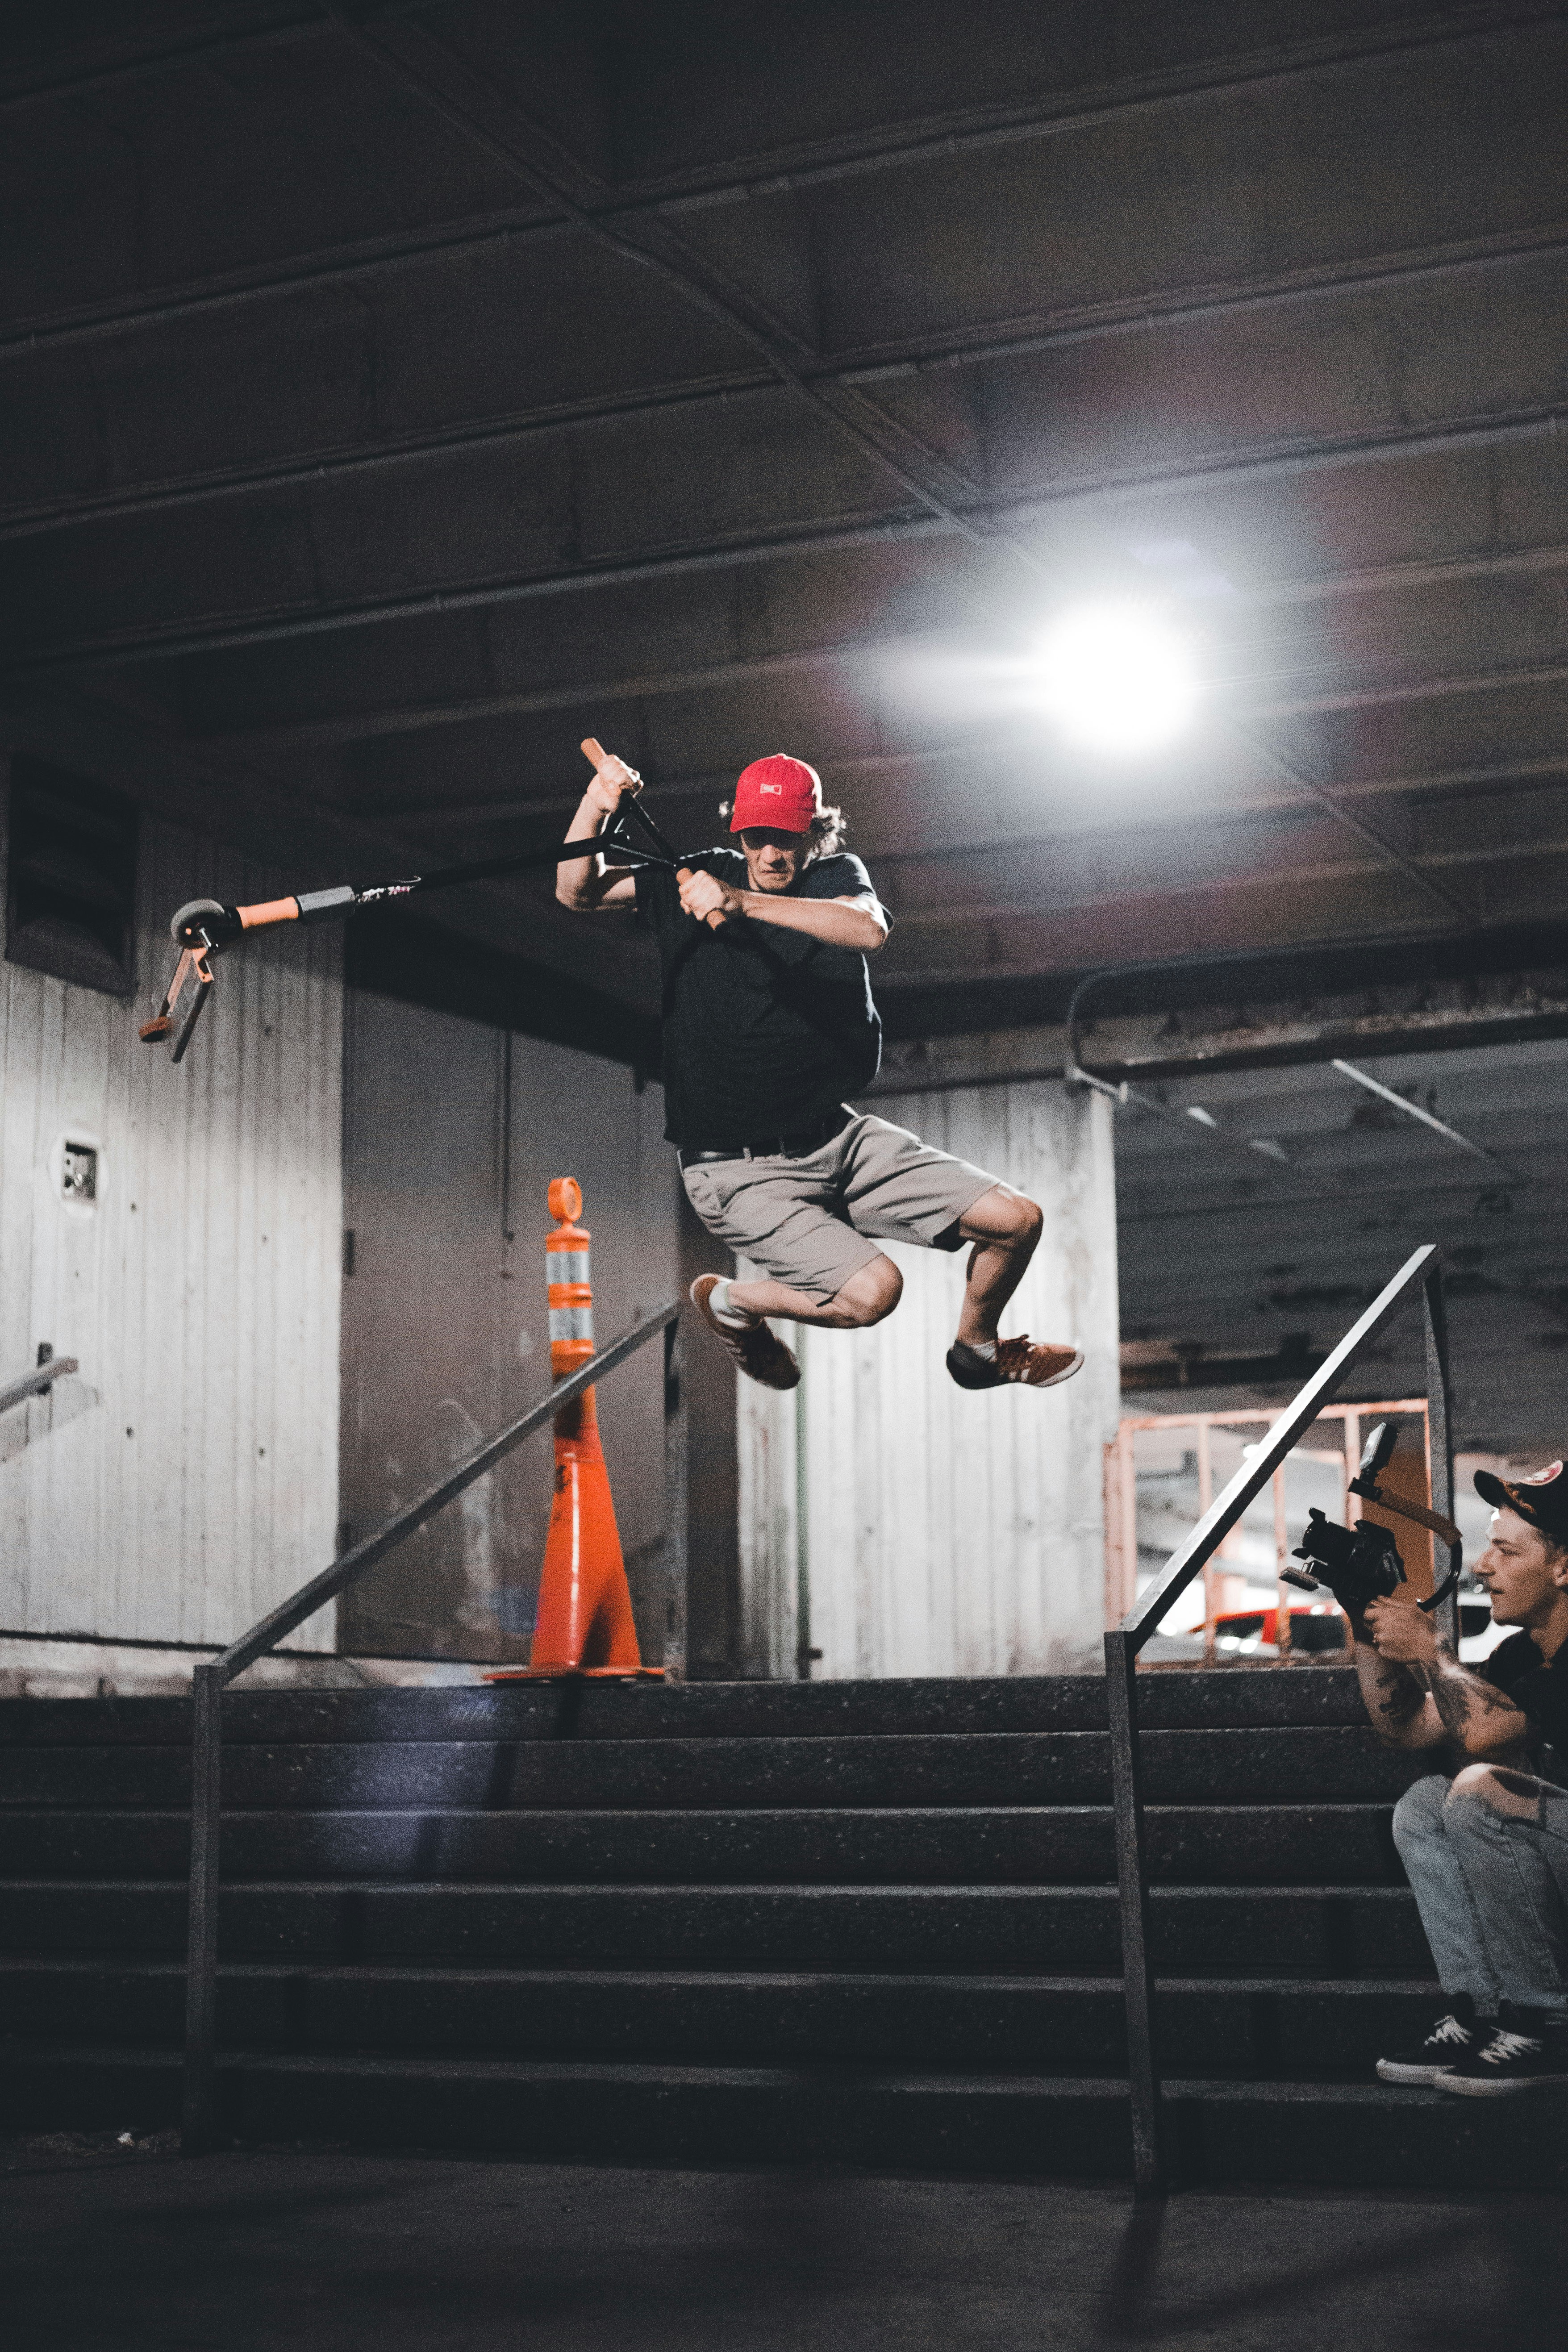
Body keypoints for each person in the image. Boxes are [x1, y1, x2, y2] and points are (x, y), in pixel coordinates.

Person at [557, 744, 1084, 1395]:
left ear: (815, 832)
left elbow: (867, 929)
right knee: (873, 1293)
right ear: (737, 831)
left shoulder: (833, 880)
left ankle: (977, 1351)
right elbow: (576, 891)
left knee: (1017, 1221)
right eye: (758, 838)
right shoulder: (691, 877)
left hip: (835, 1138)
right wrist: (597, 806)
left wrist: (742, 903)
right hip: (736, 1169)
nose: (772, 855)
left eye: (788, 838)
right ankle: (734, 1305)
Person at [1354, 1461, 1568, 2096]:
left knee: (1481, 1791)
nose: (1482, 1567)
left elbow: (1484, 1734)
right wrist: (1365, 1622)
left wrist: (1433, 1652)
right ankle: (1485, 2012)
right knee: (1426, 1803)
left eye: (1505, 1550)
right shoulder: (1527, 1651)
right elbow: (1410, 1731)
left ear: (1563, 1567)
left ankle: (1548, 2020)